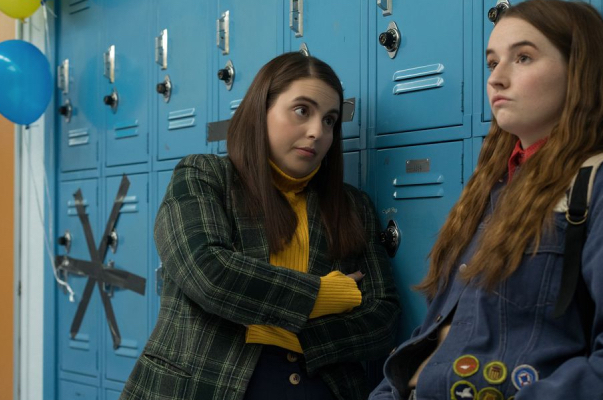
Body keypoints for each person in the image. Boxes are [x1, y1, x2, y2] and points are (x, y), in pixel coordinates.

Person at [369, 1, 603, 399]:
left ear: (578, 71)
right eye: (492, 62)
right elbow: (439, 329)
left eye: (524, 58)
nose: (497, 79)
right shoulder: (489, 188)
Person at [121, 52, 400, 400]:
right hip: (201, 387)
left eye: (329, 121)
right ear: (261, 111)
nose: (318, 131)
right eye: (302, 111)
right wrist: (323, 295)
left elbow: (383, 316)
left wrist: (298, 336)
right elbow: (209, 274)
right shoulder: (203, 176)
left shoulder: (352, 206)